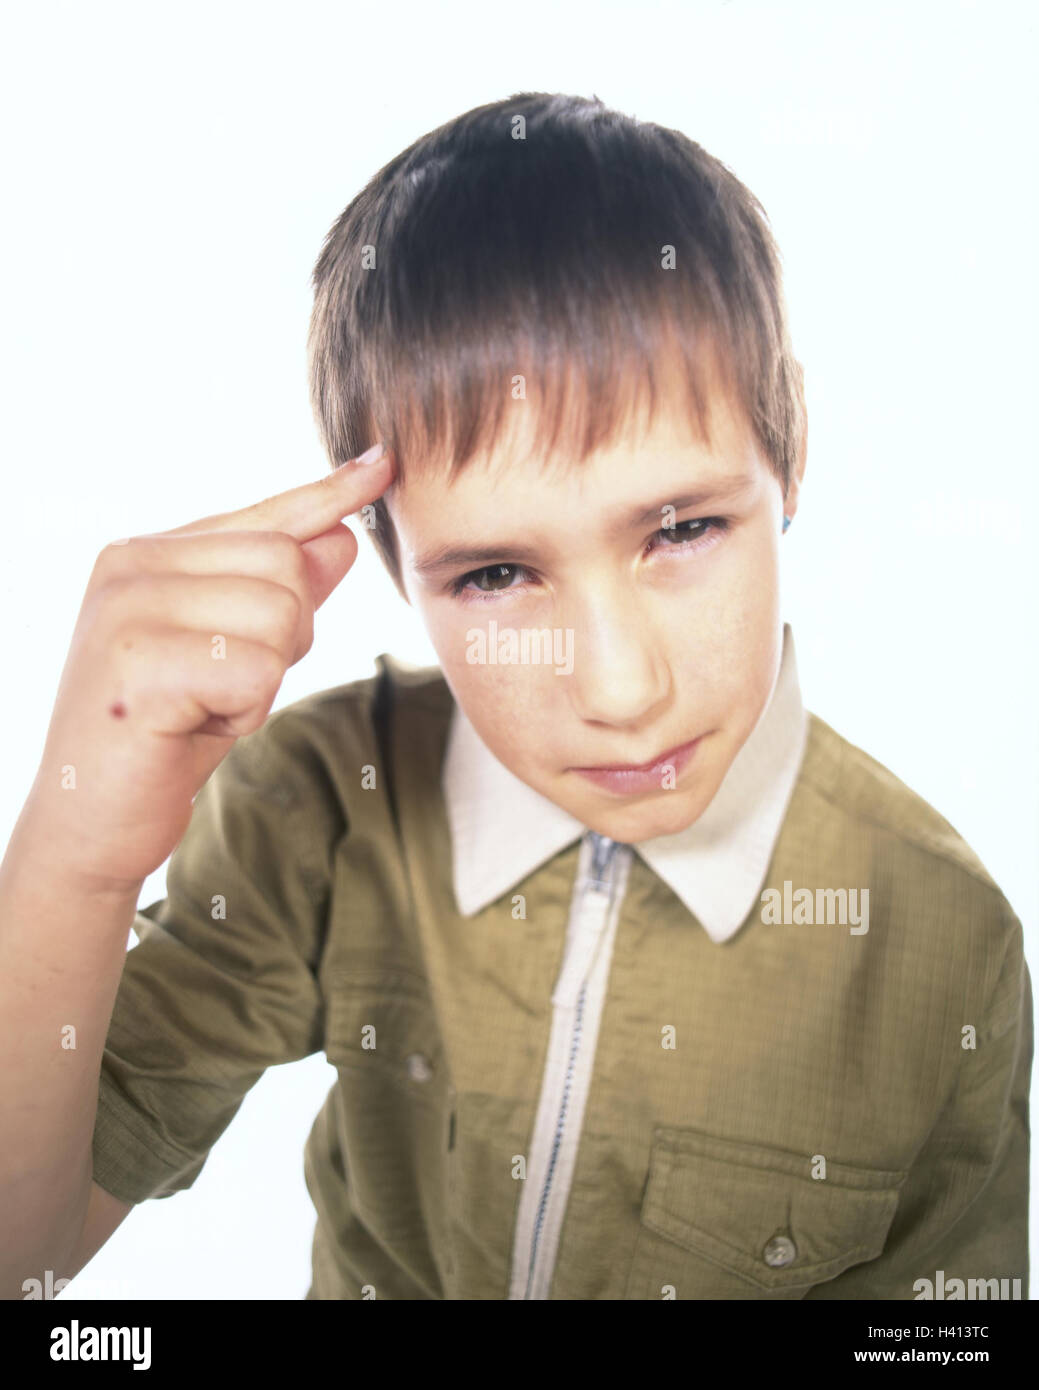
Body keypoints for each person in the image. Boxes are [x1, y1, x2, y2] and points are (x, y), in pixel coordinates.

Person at [0, 91, 1029, 1301]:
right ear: (388, 564)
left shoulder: (940, 936)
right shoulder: (322, 804)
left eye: (683, 527)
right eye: (496, 573)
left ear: (788, 455)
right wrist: (72, 859)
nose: (620, 687)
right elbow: (24, 1257)